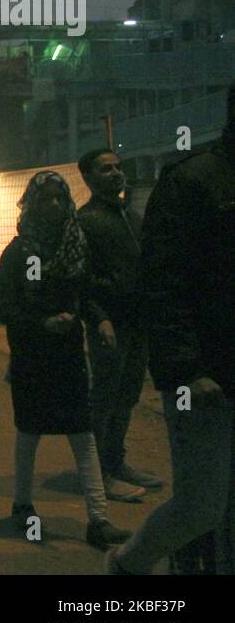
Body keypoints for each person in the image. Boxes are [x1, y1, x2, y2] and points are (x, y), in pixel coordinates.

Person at [110, 84, 235, 574]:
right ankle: (128, 565)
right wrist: (185, 370)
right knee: (202, 502)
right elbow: (162, 285)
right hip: (205, 375)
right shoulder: (193, 182)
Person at [0, 170, 130, 551]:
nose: (53, 205)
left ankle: (98, 520)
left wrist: (99, 319)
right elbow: (3, 307)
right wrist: (42, 323)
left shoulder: (74, 248)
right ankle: (22, 505)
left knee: (83, 435)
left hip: (68, 357)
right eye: (45, 198)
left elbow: (82, 294)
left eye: (59, 198)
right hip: (32, 359)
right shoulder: (20, 252)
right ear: (31, 204)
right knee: (29, 434)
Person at [77, 148, 160, 502]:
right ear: (88, 178)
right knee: (105, 397)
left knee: (127, 395)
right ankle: (99, 475)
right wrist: (99, 319)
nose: (115, 173)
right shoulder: (87, 221)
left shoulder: (130, 216)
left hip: (137, 321)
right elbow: (81, 280)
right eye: (105, 169)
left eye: (117, 167)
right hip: (110, 324)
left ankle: (116, 462)